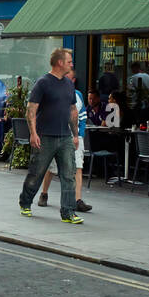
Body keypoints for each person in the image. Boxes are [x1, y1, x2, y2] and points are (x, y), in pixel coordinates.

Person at [19, 48, 83, 224]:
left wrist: (75, 135)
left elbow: (72, 111)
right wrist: (33, 133)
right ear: (60, 63)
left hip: (65, 137)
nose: (72, 64)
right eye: (69, 61)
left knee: (69, 175)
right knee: (37, 173)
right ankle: (25, 202)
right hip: (44, 136)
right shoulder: (43, 83)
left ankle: (68, 212)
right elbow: (31, 110)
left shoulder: (69, 84)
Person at [39, 68, 92, 213]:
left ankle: (77, 200)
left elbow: (80, 116)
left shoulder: (78, 95)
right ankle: (44, 193)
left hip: (75, 138)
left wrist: (79, 135)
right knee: (52, 168)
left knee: (78, 167)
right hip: (59, 136)